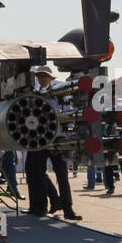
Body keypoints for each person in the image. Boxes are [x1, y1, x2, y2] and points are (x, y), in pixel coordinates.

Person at [24, 67, 80, 220]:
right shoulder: (34, 96)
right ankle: (39, 207)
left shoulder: (61, 96)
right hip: (39, 139)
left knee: (62, 175)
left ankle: (68, 209)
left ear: (51, 78)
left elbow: (69, 117)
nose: (42, 78)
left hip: (57, 138)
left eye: (44, 76)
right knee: (37, 174)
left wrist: (68, 136)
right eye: (40, 76)